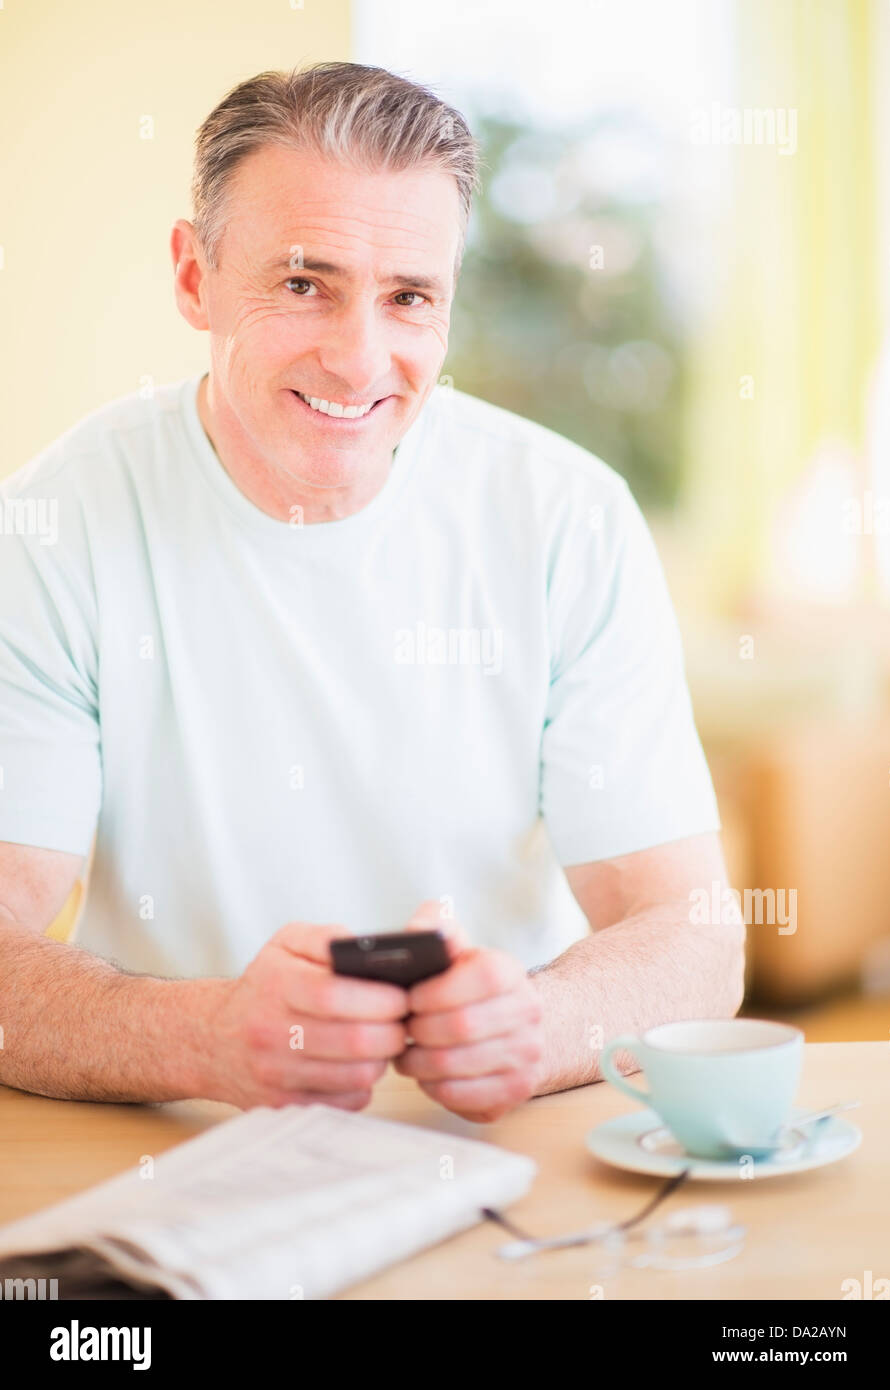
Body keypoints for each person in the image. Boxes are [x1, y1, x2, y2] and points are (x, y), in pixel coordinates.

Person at [0, 62, 743, 1124]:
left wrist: (536, 1026)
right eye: (305, 283)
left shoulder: (568, 518)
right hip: (171, 1137)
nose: (359, 361)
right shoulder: (49, 529)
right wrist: (205, 1037)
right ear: (195, 276)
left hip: (489, 1139)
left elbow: (695, 934)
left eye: (408, 298)